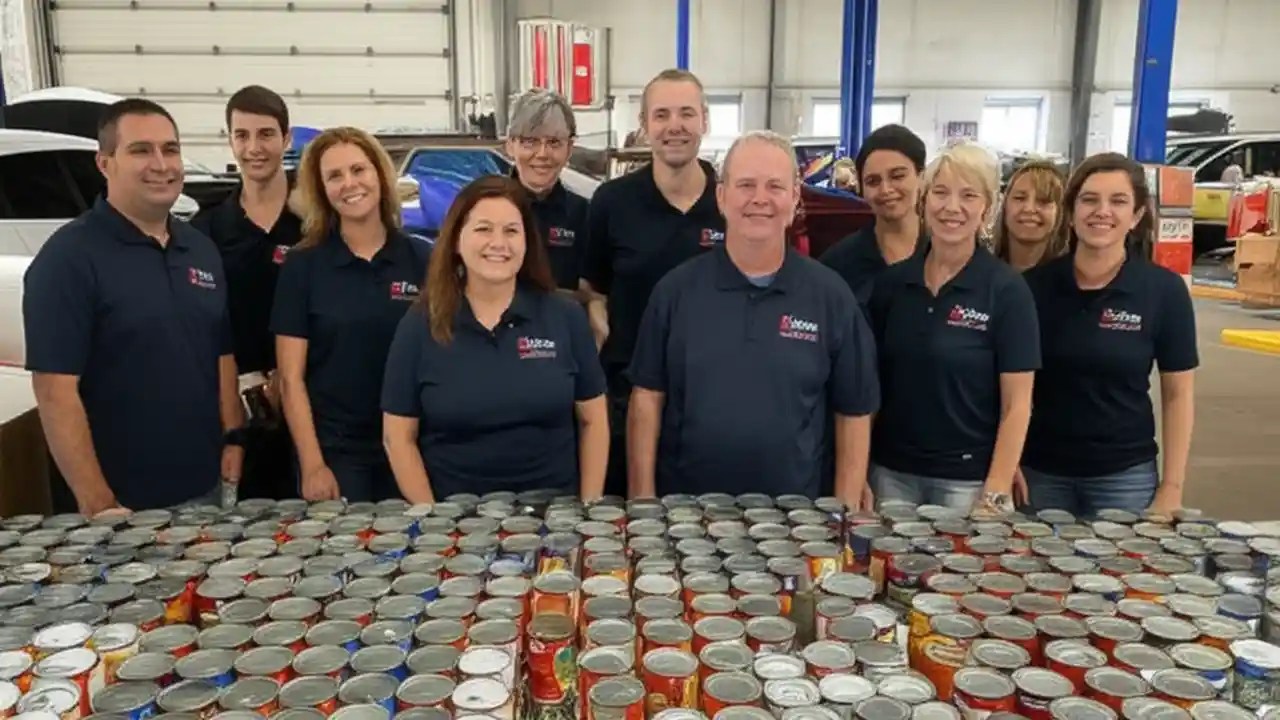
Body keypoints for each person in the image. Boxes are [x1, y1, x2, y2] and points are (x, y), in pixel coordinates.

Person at [626, 131, 879, 506]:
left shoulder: (831, 297)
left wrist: (842, 515)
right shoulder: (675, 292)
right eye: (746, 185)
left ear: (794, 198)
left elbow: (854, 412)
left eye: (774, 186)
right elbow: (646, 400)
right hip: (688, 521)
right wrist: (642, 500)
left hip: (798, 523)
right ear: (722, 196)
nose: (760, 199)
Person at [23, 98, 245, 513]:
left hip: (207, 489)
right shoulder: (68, 260)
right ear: (105, 163)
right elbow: (55, 393)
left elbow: (221, 351)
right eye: (141, 150)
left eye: (171, 149)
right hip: (122, 504)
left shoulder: (199, 249)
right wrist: (98, 503)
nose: (161, 164)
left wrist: (233, 435)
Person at [381, 176, 609, 502]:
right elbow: (398, 436)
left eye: (511, 231)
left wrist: (588, 510)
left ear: (527, 241)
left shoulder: (565, 316)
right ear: (457, 240)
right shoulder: (420, 324)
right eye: (483, 229)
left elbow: (593, 421)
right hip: (456, 525)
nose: (498, 243)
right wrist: (434, 520)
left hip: (555, 519)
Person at [1022, 152, 1197, 518]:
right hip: (1039, 473)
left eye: (1117, 201)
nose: (1102, 211)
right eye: (1089, 199)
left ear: (1136, 216)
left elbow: (1178, 395)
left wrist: (1171, 488)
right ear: (1071, 213)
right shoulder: (1033, 287)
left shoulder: (1163, 291)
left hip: (1125, 478)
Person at [866, 142, 1039, 512]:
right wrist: (860, 471)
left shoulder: (1006, 291)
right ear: (924, 201)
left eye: (969, 195)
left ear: (987, 209)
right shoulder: (893, 286)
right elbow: (872, 385)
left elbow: (1017, 404)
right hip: (891, 475)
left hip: (968, 483)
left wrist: (995, 491)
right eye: (940, 193)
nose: (951, 207)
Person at [580, 68, 726, 499]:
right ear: (644, 125)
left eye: (686, 113)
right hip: (627, 397)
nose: (674, 126)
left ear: (705, 120)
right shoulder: (612, 202)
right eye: (661, 114)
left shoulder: (730, 203)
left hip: (710, 400)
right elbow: (592, 287)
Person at [271, 127, 431, 503]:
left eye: (358, 170)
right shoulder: (302, 267)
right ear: (321, 189)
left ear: (379, 174)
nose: (349, 183)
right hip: (338, 453)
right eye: (334, 176)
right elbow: (290, 379)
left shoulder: (422, 260)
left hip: (413, 445)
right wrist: (312, 465)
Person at [191, 85, 301, 500]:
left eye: (266, 134)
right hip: (242, 412)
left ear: (286, 139)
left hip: (315, 406)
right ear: (230, 140)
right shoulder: (208, 231)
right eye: (242, 135)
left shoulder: (316, 223)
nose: (254, 147)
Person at [820, 124, 929, 308]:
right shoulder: (837, 265)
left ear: (921, 177)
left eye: (897, 176)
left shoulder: (948, 254)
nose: (886, 190)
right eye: (873, 181)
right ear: (861, 188)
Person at [504, 89, 589, 295]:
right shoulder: (485, 209)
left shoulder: (584, 214)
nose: (542, 154)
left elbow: (591, 291)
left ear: (569, 148)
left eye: (554, 142)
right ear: (510, 145)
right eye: (530, 141)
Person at [991, 160, 1068, 272]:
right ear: (1004, 205)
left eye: (1043, 201)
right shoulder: (980, 271)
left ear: (1060, 212)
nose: (1029, 209)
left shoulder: (1072, 279)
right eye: (1019, 198)